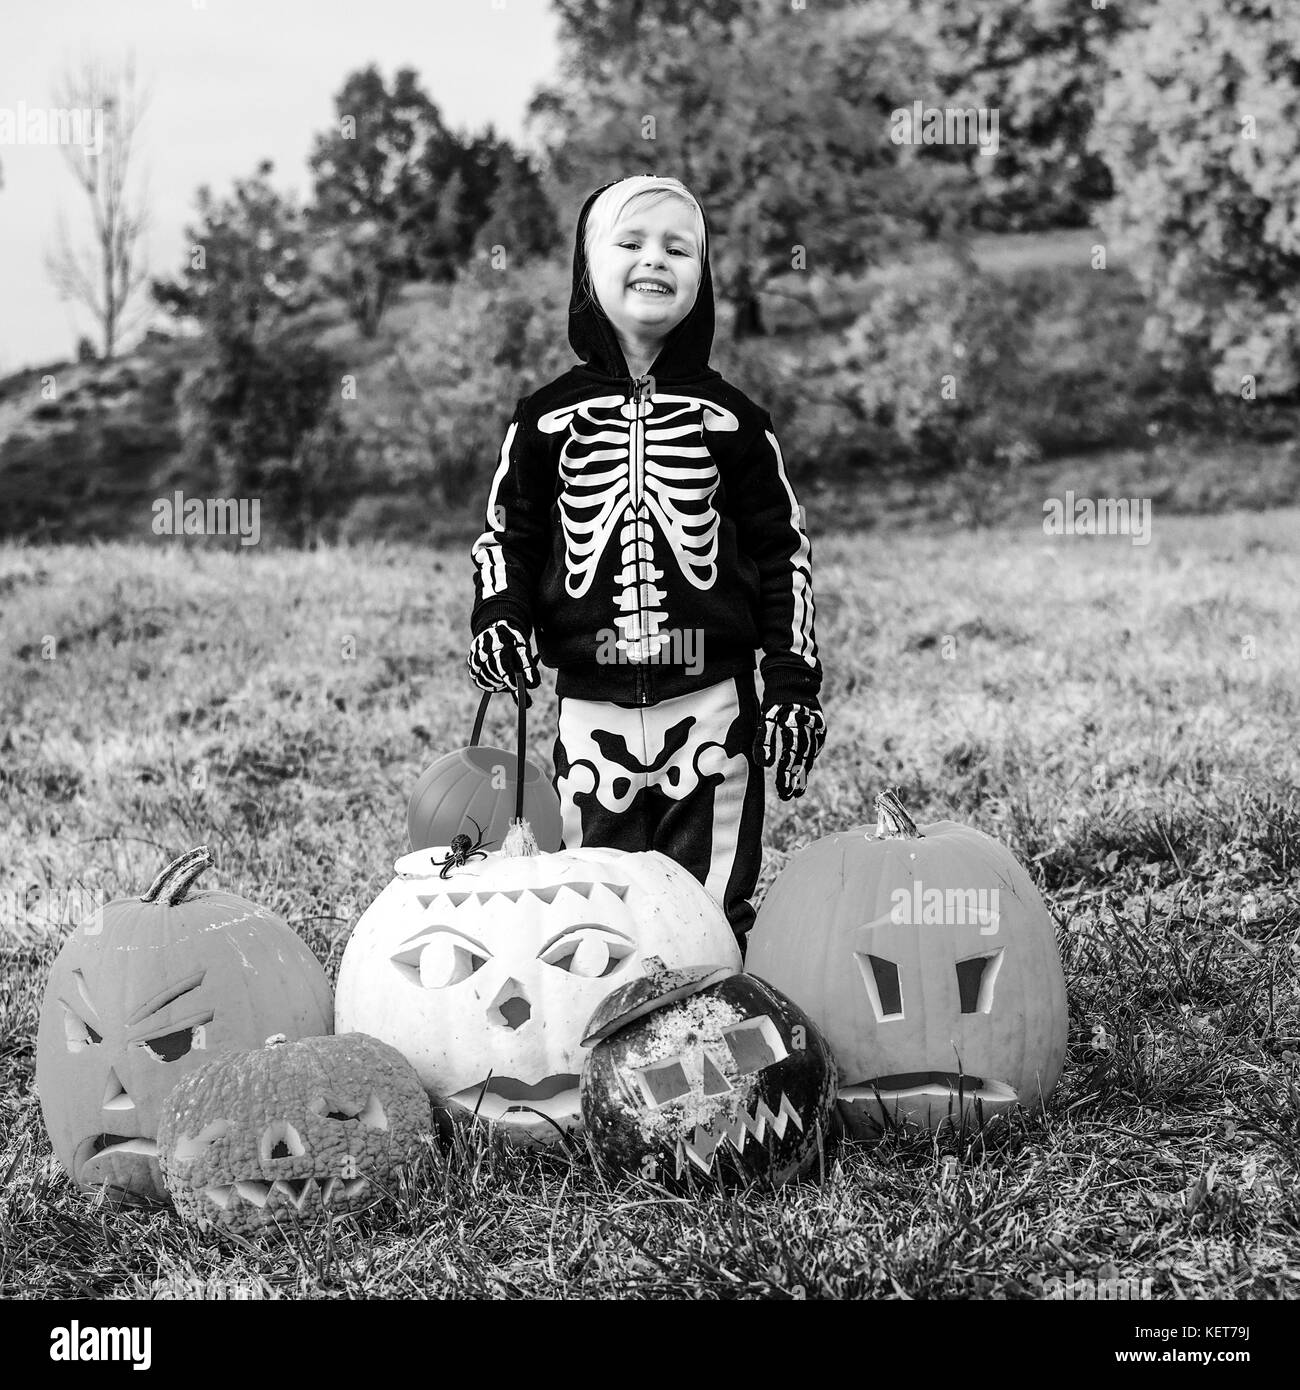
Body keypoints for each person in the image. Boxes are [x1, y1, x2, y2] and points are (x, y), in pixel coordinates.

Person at [467, 174, 825, 945]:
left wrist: (794, 687)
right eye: (628, 243)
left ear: (704, 276)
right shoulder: (544, 420)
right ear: (587, 271)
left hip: (713, 707)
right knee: (600, 920)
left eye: (679, 247)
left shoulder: (734, 421)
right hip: (590, 711)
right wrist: (500, 614)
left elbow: (784, 553)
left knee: (712, 919)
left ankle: (724, 1054)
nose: (653, 260)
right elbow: (509, 535)